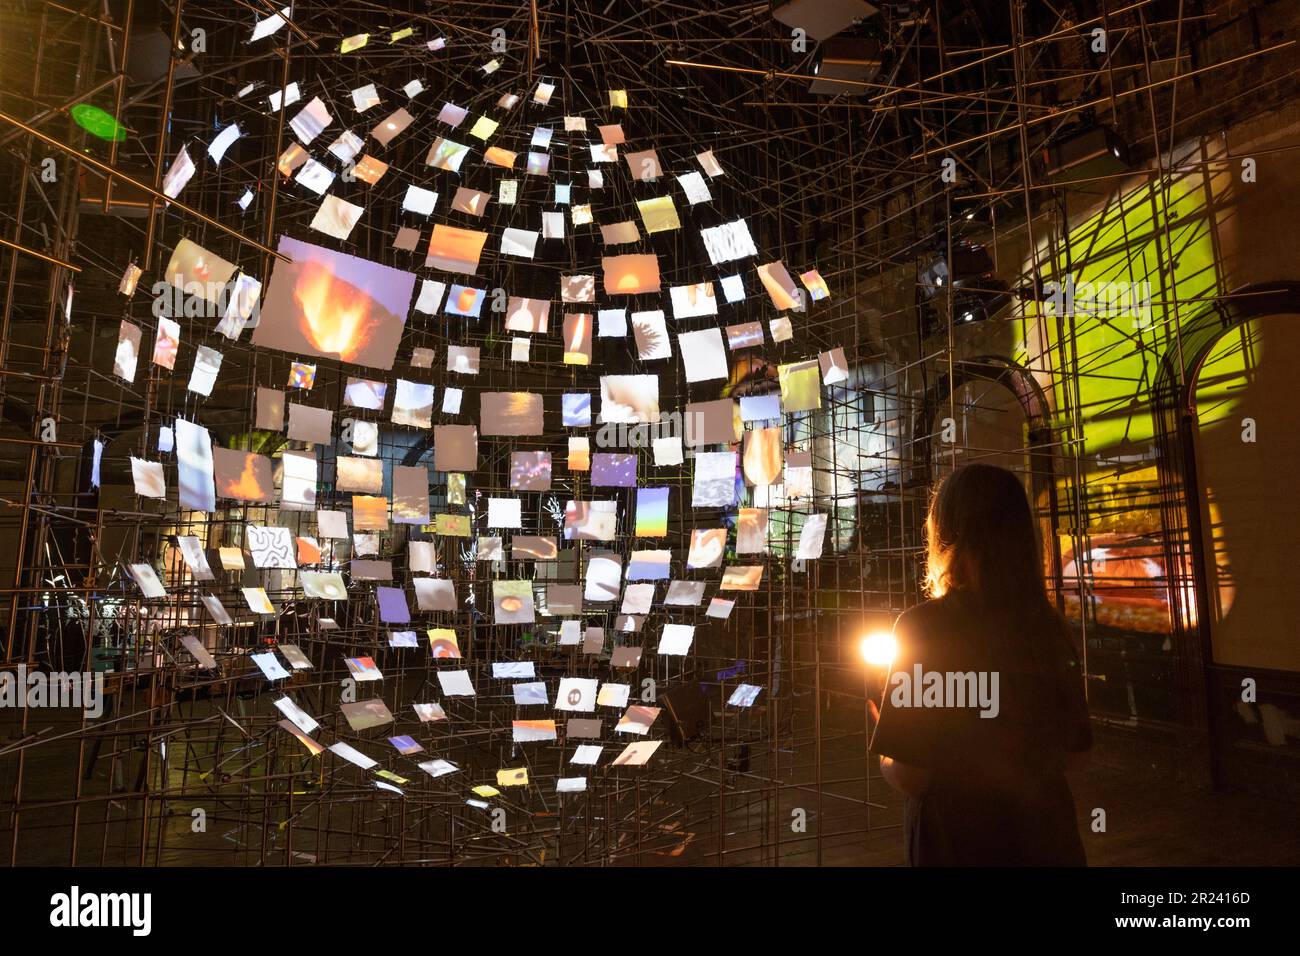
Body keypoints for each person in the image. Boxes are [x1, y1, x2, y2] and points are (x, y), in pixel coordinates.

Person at [870, 463, 1091, 866]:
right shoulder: (1048, 629)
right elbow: (1076, 752)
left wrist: (886, 749)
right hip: (1046, 840)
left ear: (945, 536)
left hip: (958, 843)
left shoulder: (924, 629)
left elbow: (910, 774)